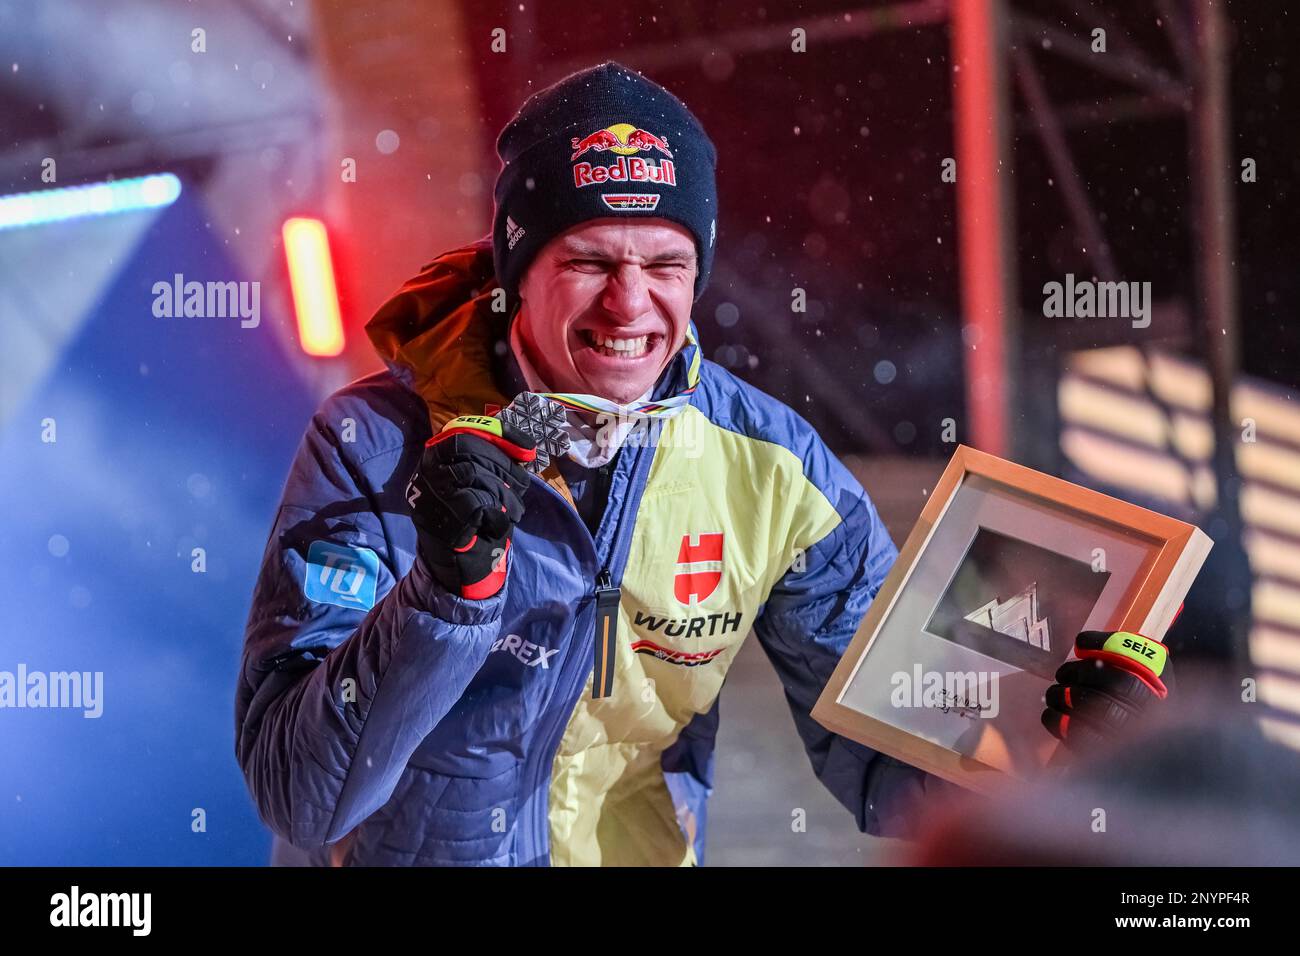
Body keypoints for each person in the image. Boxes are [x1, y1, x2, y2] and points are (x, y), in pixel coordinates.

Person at [234, 61, 1172, 866]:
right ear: (519, 269)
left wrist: (1075, 764)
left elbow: (894, 767)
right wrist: (448, 598)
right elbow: (301, 796)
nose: (630, 303)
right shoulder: (374, 445)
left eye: (667, 265)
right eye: (591, 259)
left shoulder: (773, 469)